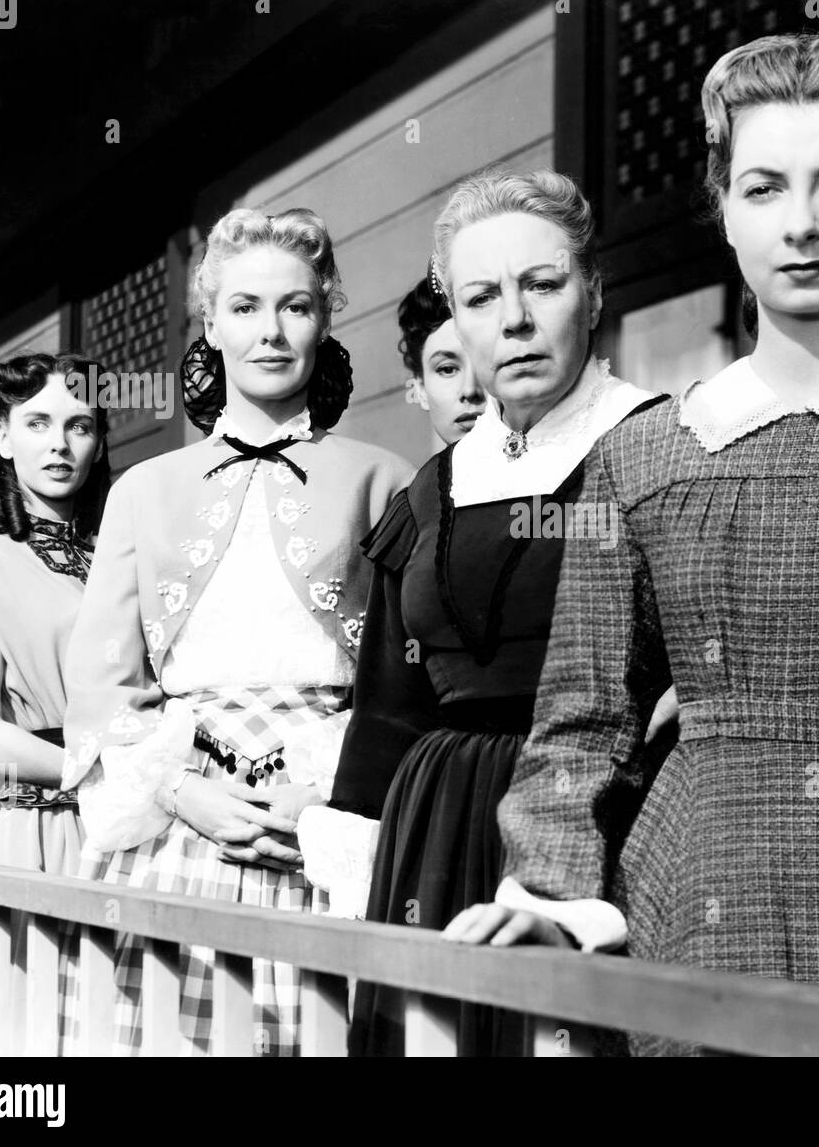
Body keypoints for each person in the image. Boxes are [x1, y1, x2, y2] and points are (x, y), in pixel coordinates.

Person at [445, 32, 819, 1051]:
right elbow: (582, 725)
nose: (803, 224)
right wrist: (549, 895)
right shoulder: (642, 455)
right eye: (764, 188)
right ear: (723, 210)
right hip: (699, 894)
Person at [297, 167, 673, 1056]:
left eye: (543, 285)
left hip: (604, 828)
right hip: (433, 832)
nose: (513, 320)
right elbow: (391, 702)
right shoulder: (436, 487)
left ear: (594, 292)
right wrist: (357, 843)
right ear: (456, 320)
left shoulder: (663, 449)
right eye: (480, 297)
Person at [62, 207, 414, 1055]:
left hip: (319, 820)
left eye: (296, 306)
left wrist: (326, 791)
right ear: (209, 322)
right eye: (247, 307)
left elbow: (405, 678)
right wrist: (180, 790)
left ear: (325, 318)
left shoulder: (388, 478)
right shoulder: (143, 490)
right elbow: (104, 675)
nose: (271, 330)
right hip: (179, 811)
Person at [0, 351, 109, 873]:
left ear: (99, 442)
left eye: (79, 426)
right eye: (38, 423)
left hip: (123, 827)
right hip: (33, 832)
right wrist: (106, 775)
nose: (59, 443)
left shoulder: (115, 556)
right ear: (5, 437)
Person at [397, 267, 486, 445]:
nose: (470, 390)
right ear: (421, 388)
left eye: (486, 362)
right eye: (447, 369)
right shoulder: (418, 474)